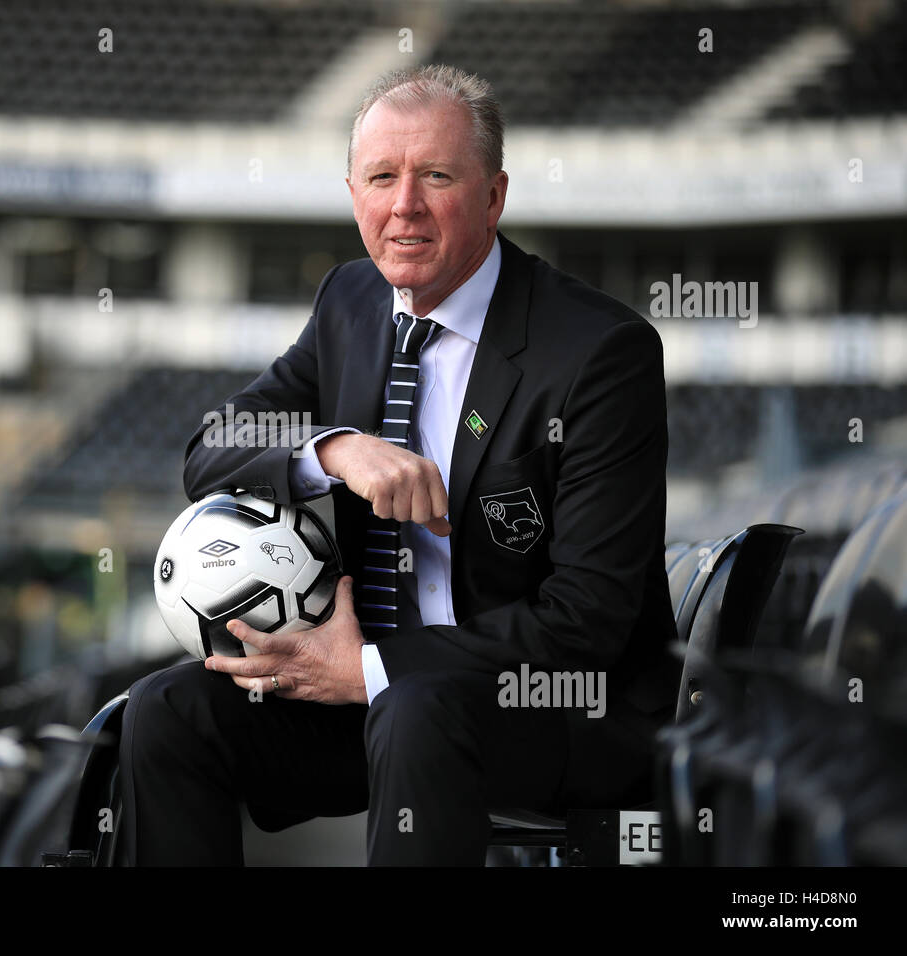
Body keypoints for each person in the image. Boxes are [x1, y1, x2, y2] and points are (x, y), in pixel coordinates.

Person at [118, 64, 682, 866]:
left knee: (417, 708)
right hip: (373, 696)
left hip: (550, 708)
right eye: (382, 177)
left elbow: (586, 620)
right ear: (354, 194)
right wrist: (334, 450)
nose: (404, 205)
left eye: (437, 176)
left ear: (493, 196)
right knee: (166, 709)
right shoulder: (350, 303)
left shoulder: (600, 352)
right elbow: (214, 443)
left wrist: (372, 669)